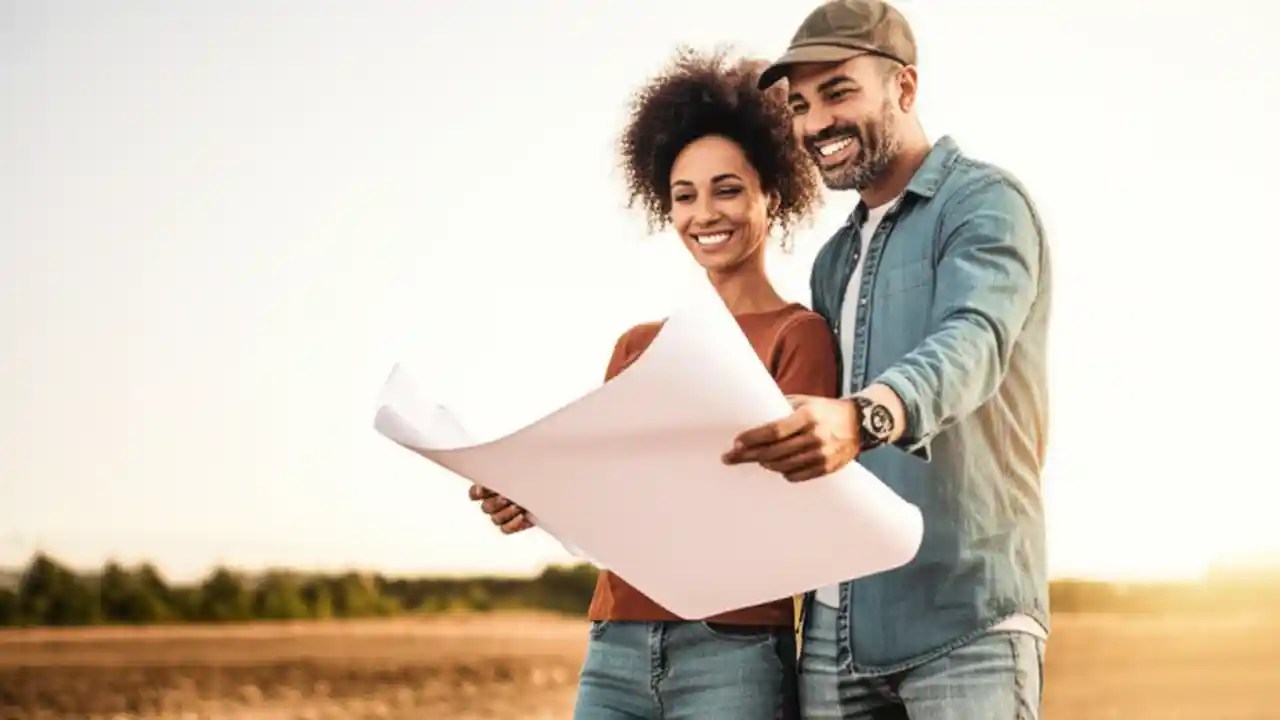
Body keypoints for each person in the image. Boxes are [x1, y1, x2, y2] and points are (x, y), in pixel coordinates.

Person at [469, 49, 839, 719]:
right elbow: (611, 493)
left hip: (732, 651)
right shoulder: (638, 347)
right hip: (616, 646)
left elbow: (790, 517)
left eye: (727, 189)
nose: (705, 214)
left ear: (771, 196)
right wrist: (534, 496)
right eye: (684, 196)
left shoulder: (799, 337)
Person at [721, 1, 1053, 718]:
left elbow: (973, 340)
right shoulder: (833, 262)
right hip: (836, 635)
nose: (815, 125)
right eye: (801, 105)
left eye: (838, 92)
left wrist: (865, 414)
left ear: (904, 88)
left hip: (966, 622)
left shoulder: (984, 205)